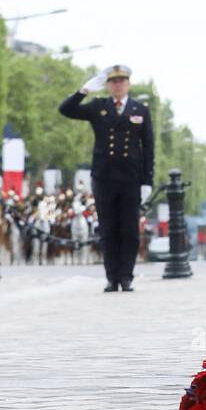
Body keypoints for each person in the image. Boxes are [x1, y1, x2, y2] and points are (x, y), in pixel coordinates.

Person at [57, 64, 153, 292]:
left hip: (131, 177)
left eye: (121, 81)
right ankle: (112, 277)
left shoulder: (140, 109)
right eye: (113, 81)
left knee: (129, 230)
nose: (117, 85)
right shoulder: (98, 107)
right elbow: (66, 110)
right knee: (108, 229)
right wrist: (84, 90)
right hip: (104, 177)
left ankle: (126, 277)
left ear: (128, 84)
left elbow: (149, 147)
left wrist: (147, 180)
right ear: (108, 85)